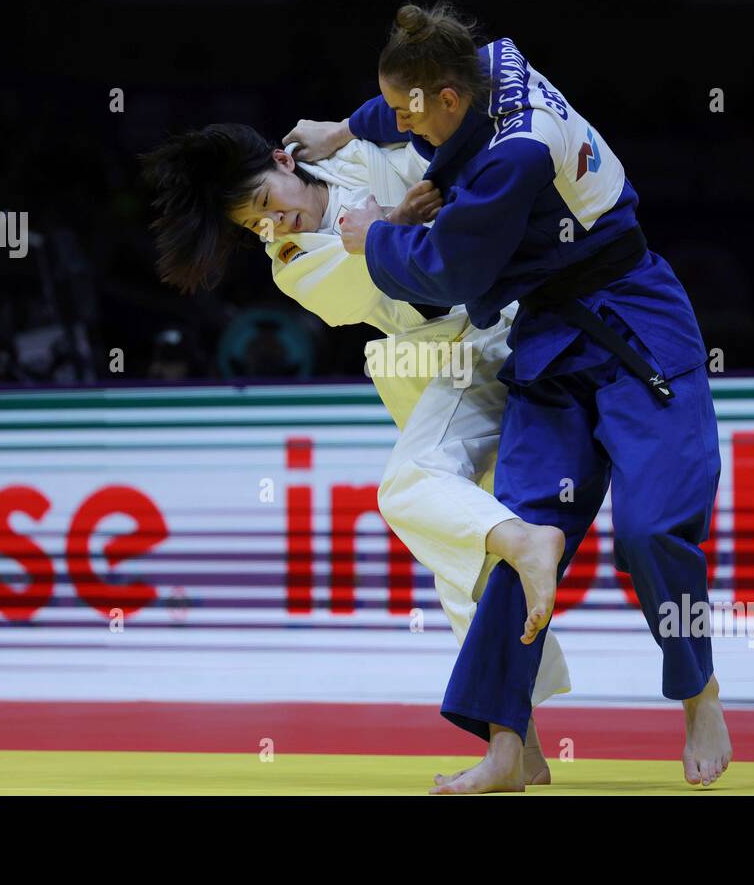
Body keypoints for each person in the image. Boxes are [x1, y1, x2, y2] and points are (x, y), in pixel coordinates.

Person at [287, 1, 731, 793]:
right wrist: (346, 129)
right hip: (548, 338)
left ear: (448, 102)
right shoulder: (482, 59)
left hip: (636, 321)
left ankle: (699, 692)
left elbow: (452, 275)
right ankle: (506, 745)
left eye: (405, 117)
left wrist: (374, 238)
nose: (400, 127)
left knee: (653, 528)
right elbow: (403, 101)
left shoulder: (514, 156)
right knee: (520, 532)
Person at [139, 123, 569, 783]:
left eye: (265, 197)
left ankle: (527, 542)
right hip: (433, 365)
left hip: (491, 337)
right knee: (455, 561)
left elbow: (419, 114)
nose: (270, 220)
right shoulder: (294, 265)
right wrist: (393, 221)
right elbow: (402, 278)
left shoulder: (344, 153)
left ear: (284, 160)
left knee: (408, 489)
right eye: (251, 221)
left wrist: (347, 124)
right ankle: (519, 748)